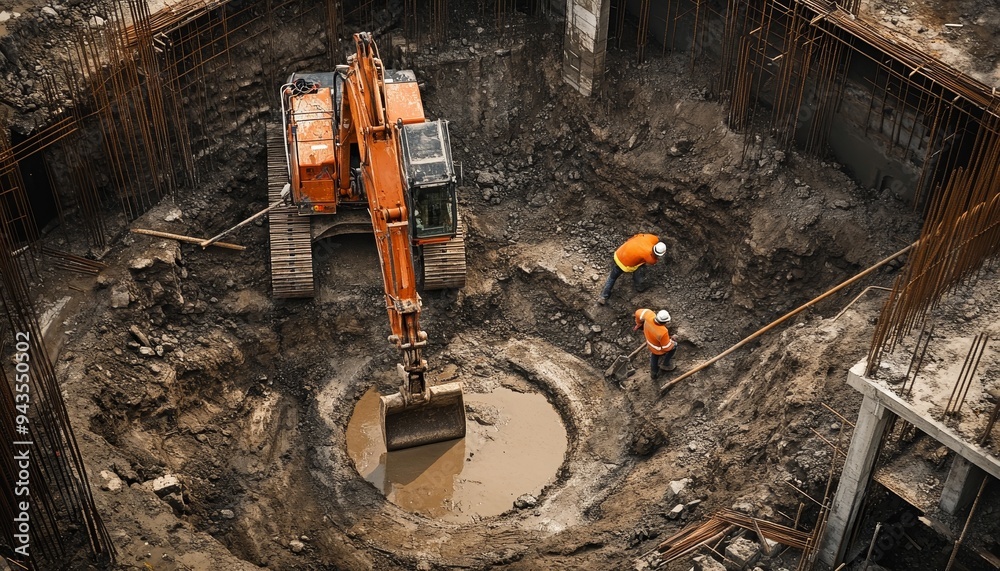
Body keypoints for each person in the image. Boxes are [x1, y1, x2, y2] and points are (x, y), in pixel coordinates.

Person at [597, 233, 666, 305]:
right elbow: (653, 261)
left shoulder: (651, 238)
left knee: (612, 277)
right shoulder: (648, 256)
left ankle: (603, 296)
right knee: (641, 267)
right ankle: (639, 286)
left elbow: (636, 236)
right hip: (625, 265)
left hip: (619, 253)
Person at [634, 308, 677, 380]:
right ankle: (666, 364)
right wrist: (672, 342)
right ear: (664, 322)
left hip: (649, 342)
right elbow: (666, 348)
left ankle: (654, 373)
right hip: (657, 348)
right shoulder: (663, 332)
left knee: (654, 355)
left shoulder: (649, 315)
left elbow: (638, 312)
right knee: (675, 345)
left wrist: (639, 324)